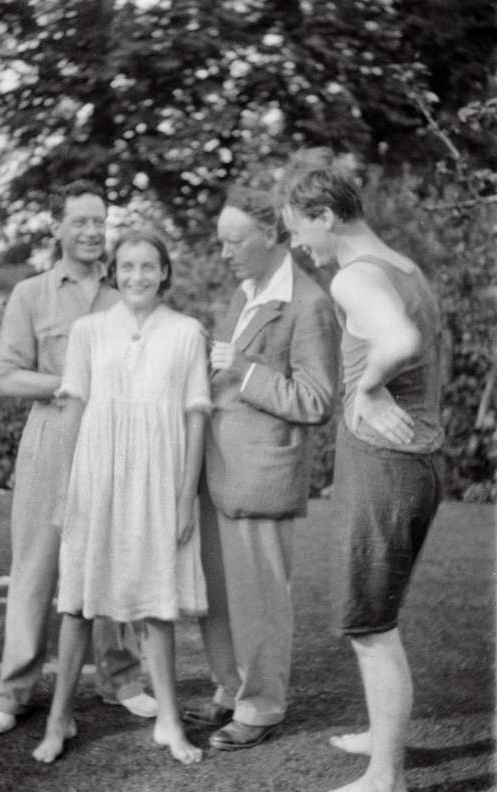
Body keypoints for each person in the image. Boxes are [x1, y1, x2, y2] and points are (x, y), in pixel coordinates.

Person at [278, 155, 444, 792]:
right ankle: (383, 735)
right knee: (378, 616)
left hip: (386, 465)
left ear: (326, 216)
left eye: (300, 229)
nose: (297, 243)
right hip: (415, 463)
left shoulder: (354, 278)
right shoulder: (402, 266)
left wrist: (370, 389)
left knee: (371, 626)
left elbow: (400, 341)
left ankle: (386, 777)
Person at [0, 181, 157, 735]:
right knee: (35, 570)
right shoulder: (31, 294)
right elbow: (4, 376)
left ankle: (122, 680)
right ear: (56, 226)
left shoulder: (126, 290)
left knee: (112, 564)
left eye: (98, 221)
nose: (90, 232)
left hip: (116, 451)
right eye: (79, 221)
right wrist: (65, 381)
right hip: (51, 446)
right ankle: (13, 692)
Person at [32, 229, 211, 765]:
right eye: (127, 266)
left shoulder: (187, 333)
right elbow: (73, 411)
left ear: (164, 274)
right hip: (97, 479)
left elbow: (196, 417)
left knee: (158, 607)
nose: (137, 276)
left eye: (148, 267)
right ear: (114, 271)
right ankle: (59, 719)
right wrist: (66, 490)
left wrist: (184, 500)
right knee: (79, 604)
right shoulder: (88, 331)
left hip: (158, 482)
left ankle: (170, 722)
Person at [183, 185, 340, 750]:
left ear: (273, 235)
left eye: (234, 241)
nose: (224, 253)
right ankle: (230, 690)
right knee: (218, 595)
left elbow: (317, 400)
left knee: (261, 600)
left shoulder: (311, 303)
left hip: (262, 474)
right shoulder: (243, 292)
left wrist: (244, 370)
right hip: (216, 467)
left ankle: (263, 706)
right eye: (221, 241)